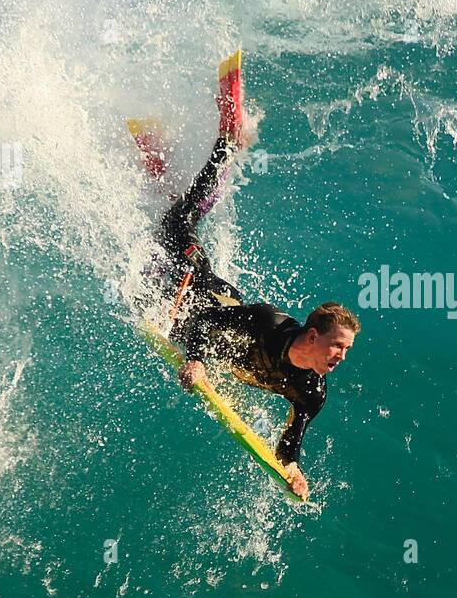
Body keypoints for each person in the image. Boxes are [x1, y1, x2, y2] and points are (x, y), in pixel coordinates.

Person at [153, 78, 358, 501]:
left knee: (169, 230)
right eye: (339, 346)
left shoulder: (312, 392)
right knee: (174, 230)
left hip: (216, 323)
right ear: (313, 334)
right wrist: (196, 361)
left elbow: (290, 441)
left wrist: (293, 469)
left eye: (348, 351)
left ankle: (162, 175)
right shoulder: (267, 323)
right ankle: (227, 142)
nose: (342, 357)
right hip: (206, 293)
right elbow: (203, 322)